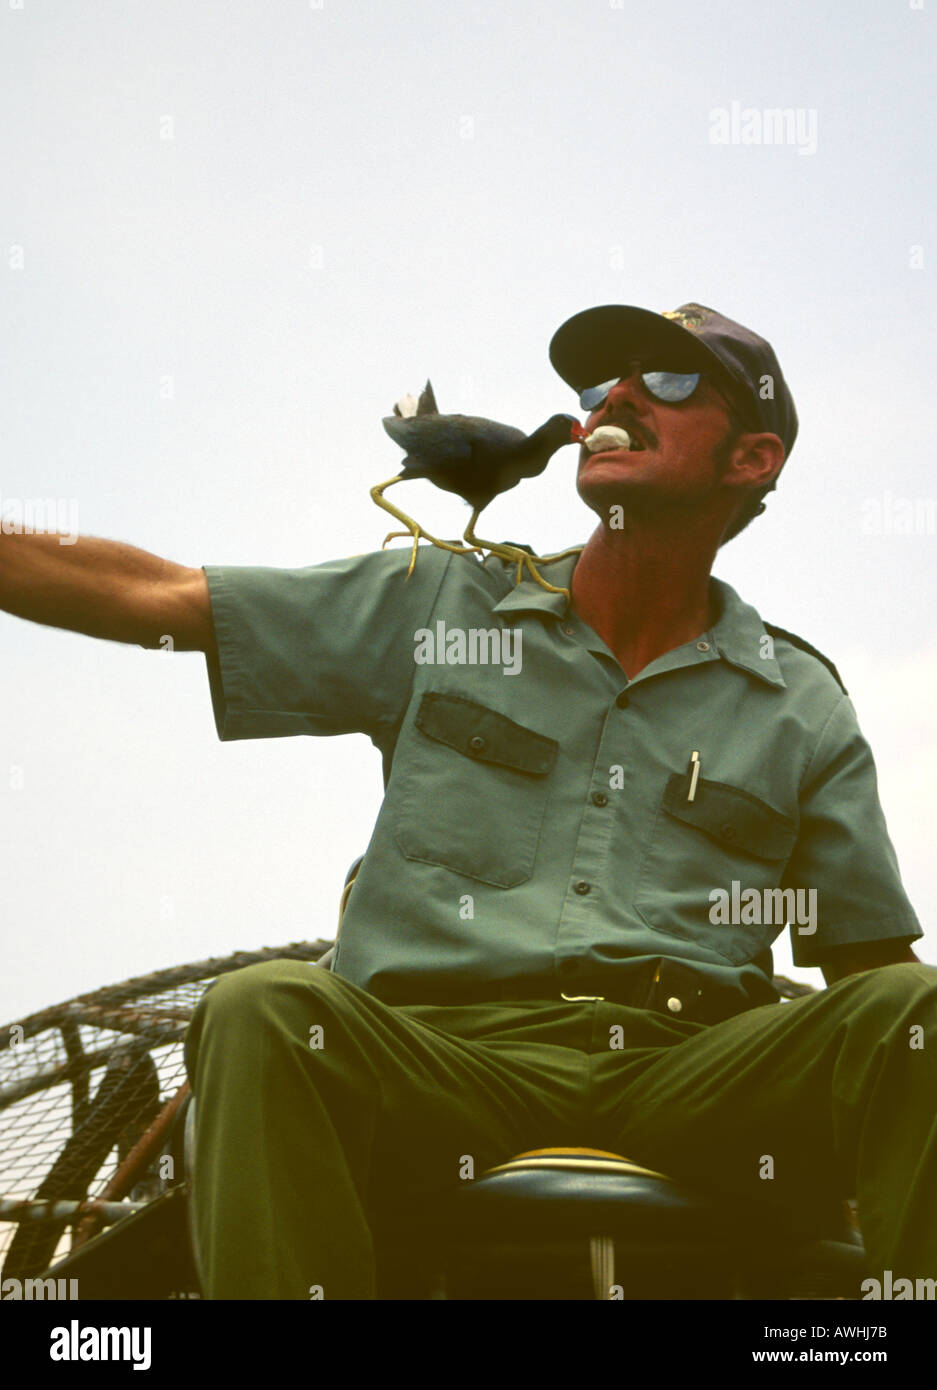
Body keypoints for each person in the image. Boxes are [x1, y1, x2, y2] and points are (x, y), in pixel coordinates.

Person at [1, 302, 931, 1302]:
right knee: (264, 1008)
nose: (616, 396)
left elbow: (872, 977)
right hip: (442, 1058)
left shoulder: (800, 701)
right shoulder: (442, 603)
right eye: (601, 384)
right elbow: (162, 596)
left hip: (689, 1072)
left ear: (750, 459)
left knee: (916, 1012)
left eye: (667, 383)